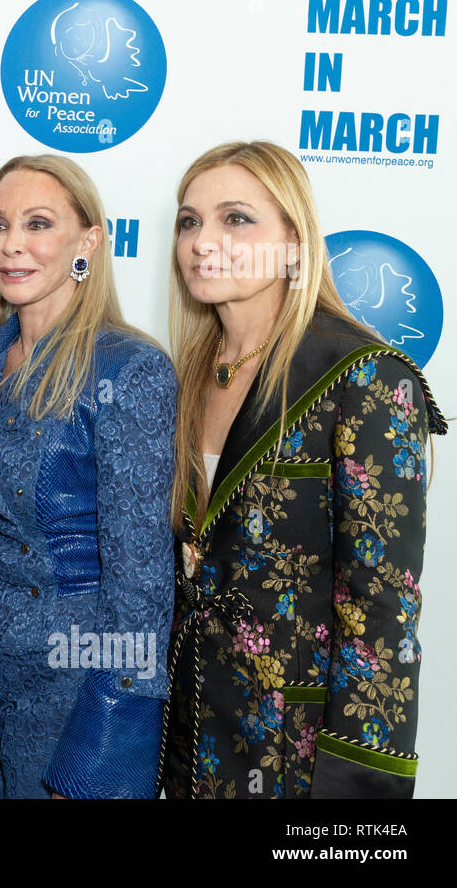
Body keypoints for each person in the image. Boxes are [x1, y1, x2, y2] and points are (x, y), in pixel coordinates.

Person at [163, 141, 445, 799]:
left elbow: (383, 606)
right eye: (188, 220)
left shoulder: (363, 376)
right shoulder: (185, 375)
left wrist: (354, 795)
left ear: (294, 243)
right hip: (182, 732)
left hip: (295, 753)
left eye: (236, 218)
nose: (205, 240)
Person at [0, 155, 176, 799]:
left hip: (72, 688)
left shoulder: (130, 370)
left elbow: (141, 583)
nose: (11, 244)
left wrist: (104, 749)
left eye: (37, 223)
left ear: (88, 241)